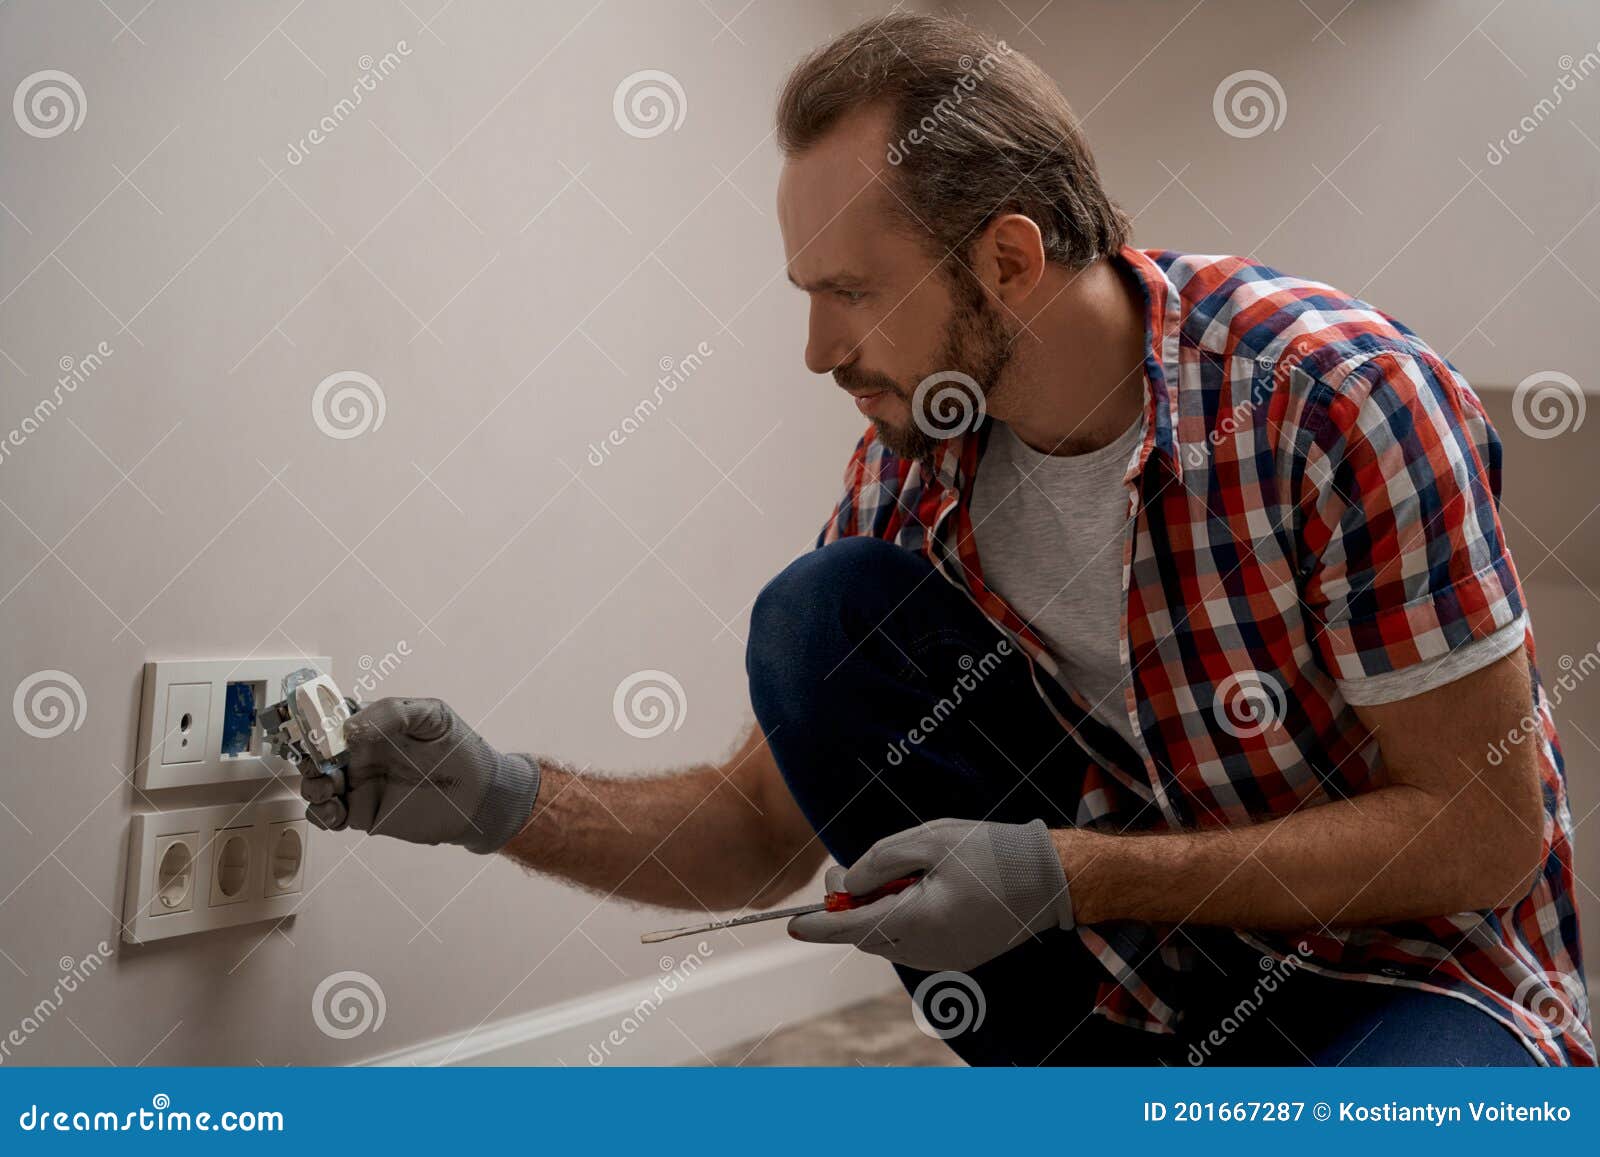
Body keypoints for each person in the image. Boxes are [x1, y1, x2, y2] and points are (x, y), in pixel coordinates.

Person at [297, 13, 1590, 1066]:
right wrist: (498, 799)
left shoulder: (1331, 397)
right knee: (821, 617)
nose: (816, 352)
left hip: (1405, 979)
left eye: (849, 293)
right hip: (1141, 1001)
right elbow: (758, 829)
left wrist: (1065, 874)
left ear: (1011, 258)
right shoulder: (921, 464)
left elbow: (1484, 831)